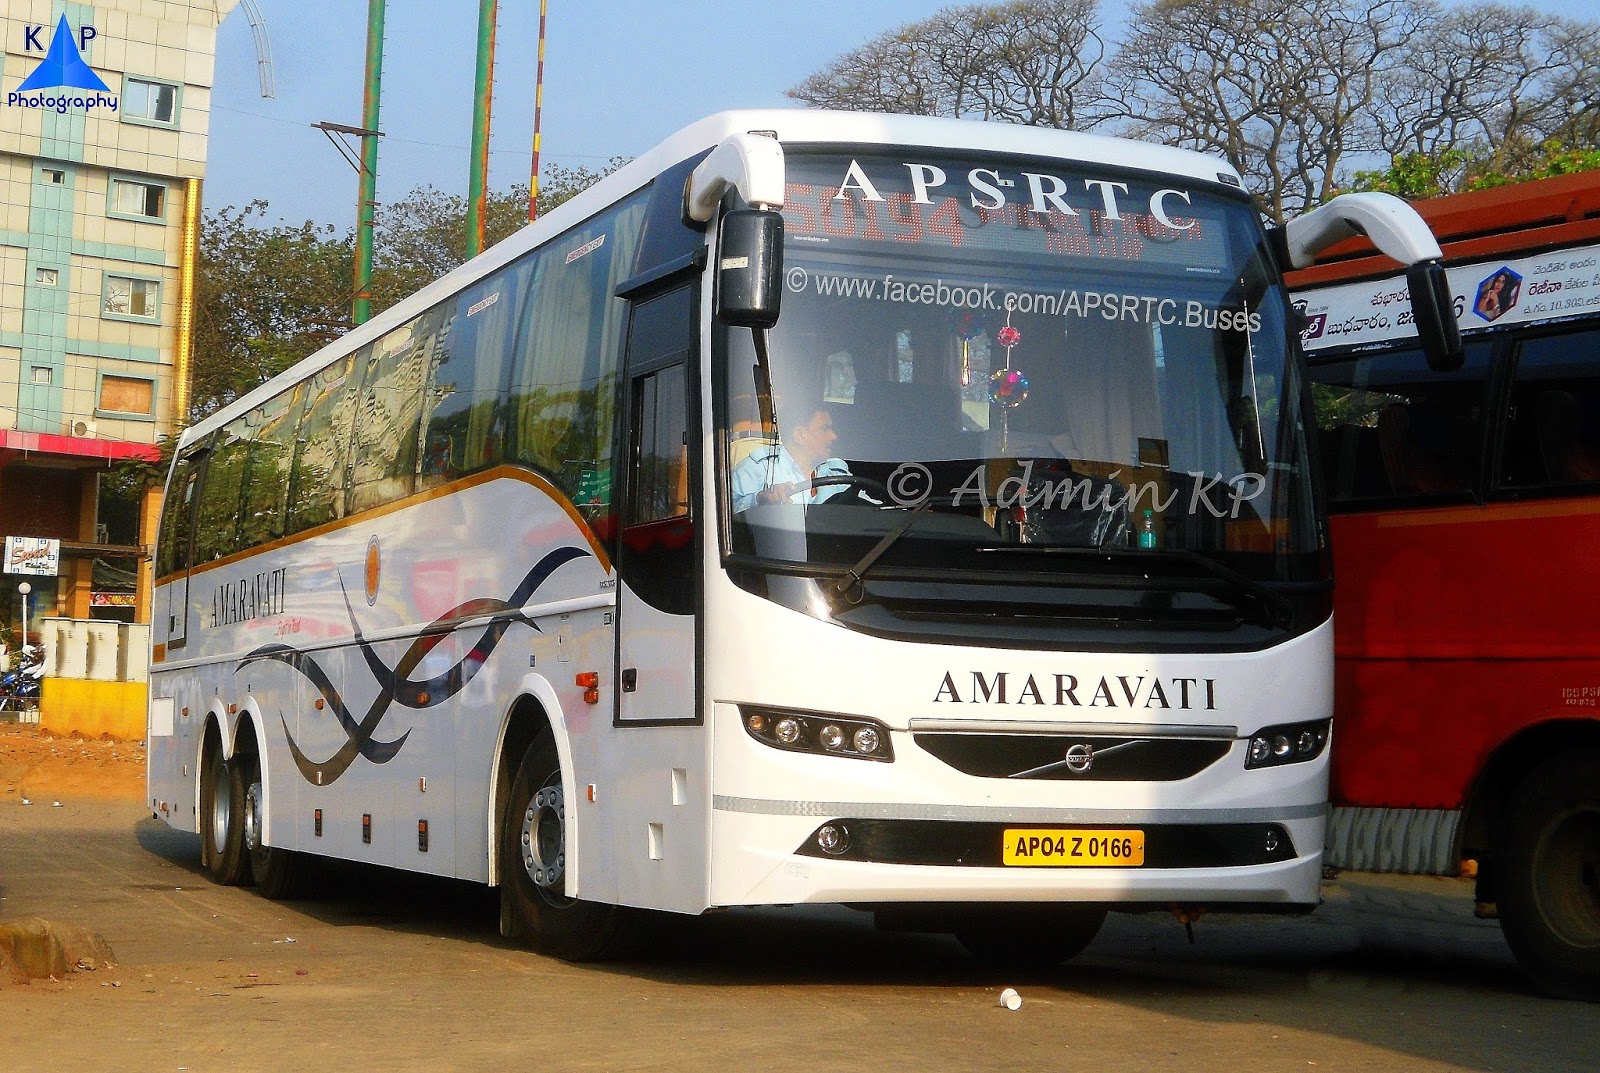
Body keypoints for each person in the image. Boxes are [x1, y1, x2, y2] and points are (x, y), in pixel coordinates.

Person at [731, 402, 854, 512]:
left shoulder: (836, 472)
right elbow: (724, 512)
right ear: (799, 436)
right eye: (824, 429)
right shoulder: (760, 467)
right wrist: (759, 498)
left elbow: (864, 506)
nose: (833, 436)